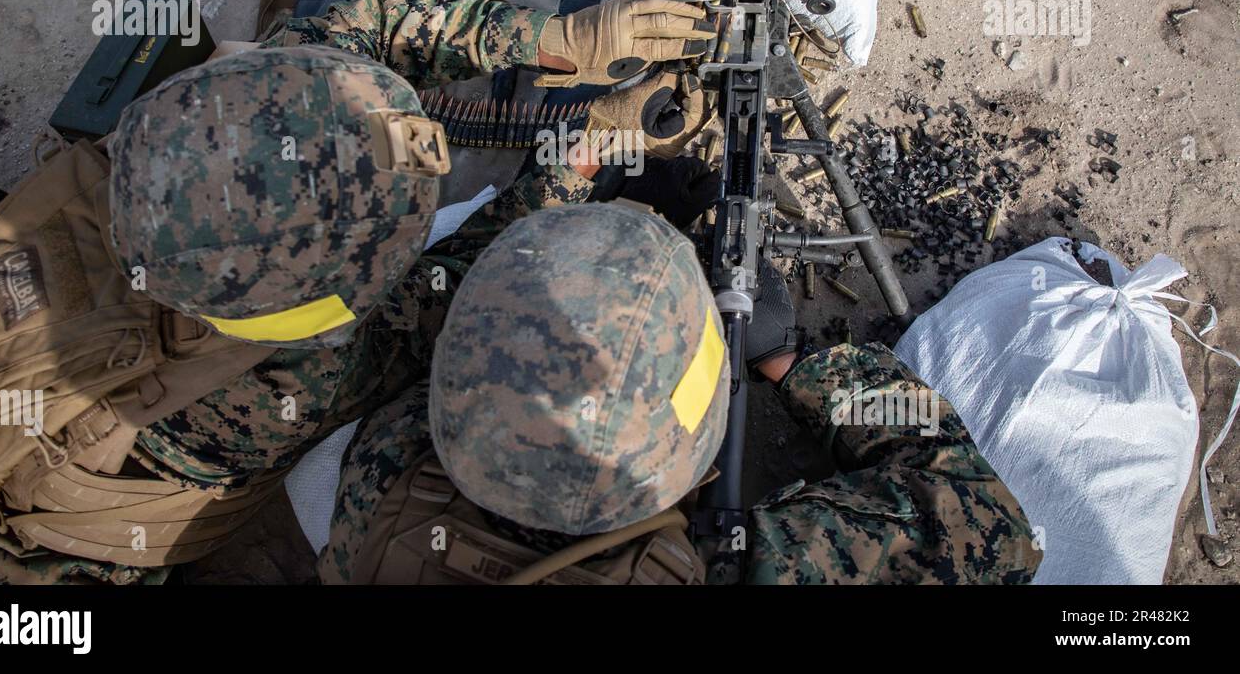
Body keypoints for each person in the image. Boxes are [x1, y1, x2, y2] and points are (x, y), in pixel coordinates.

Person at [0, 0, 714, 583]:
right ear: (317, 308)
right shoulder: (290, 383)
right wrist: (575, 162)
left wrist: (554, 42)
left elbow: (364, 30)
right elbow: (448, 298)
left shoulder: (211, 116)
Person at [319, 203, 1043, 585]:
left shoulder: (384, 477)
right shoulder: (754, 565)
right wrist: (794, 366)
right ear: (692, 461)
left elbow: (478, 342)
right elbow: (986, 524)